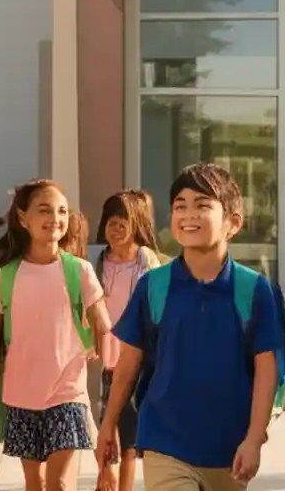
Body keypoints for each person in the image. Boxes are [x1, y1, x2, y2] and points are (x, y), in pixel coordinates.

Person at [96, 163, 283, 491]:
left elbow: (266, 367)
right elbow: (128, 363)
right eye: (180, 206)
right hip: (164, 441)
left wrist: (254, 438)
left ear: (232, 223)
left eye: (202, 205)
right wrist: (108, 424)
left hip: (229, 449)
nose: (188, 214)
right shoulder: (153, 286)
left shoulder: (253, 289)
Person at [0, 179, 112, 491]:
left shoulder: (79, 270)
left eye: (62, 211)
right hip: (20, 395)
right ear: (23, 219)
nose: (55, 218)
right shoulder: (4, 278)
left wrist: (106, 373)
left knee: (60, 484)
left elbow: (103, 322)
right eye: (45, 210)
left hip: (68, 391)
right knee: (34, 482)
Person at [91, 190, 162, 491]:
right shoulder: (99, 261)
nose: (115, 229)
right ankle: (105, 477)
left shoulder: (146, 261)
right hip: (108, 357)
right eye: (110, 222)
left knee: (129, 433)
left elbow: (157, 308)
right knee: (107, 420)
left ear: (137, 225)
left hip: (137, 358)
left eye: (122, 223)